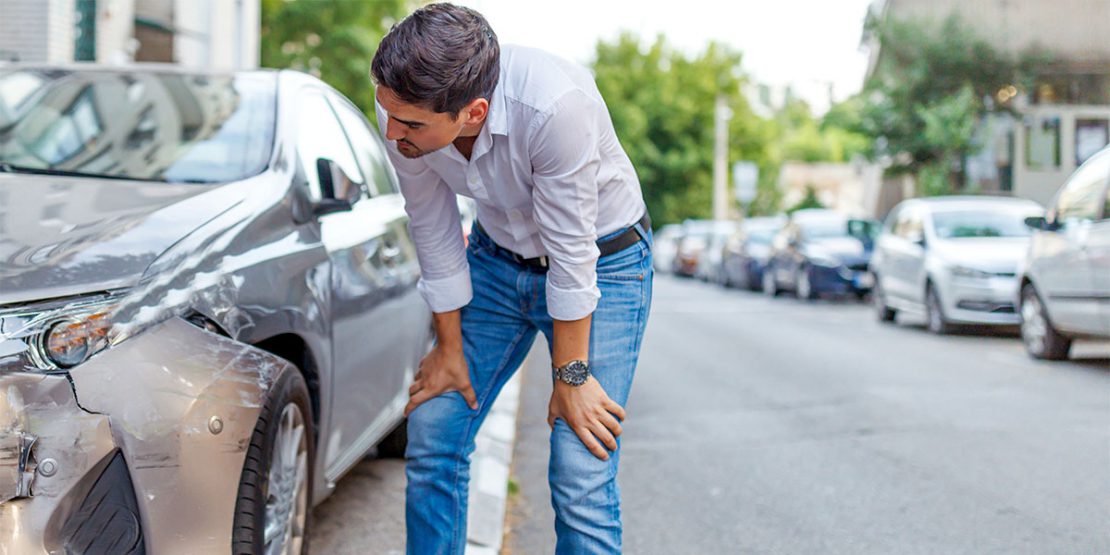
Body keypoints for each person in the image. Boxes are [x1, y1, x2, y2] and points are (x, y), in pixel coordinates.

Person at [371, 4, 652, 553]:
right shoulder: (404, 107)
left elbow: (572, 256)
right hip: (497, 262)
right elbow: (433, 228)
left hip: (604, 263)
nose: (392, 132)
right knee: (434, 427)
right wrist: (449, 349)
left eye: (411, 125)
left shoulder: (554, 107)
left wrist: (571, 377)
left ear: (472, 113)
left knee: (580, 463)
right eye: (388, 113)